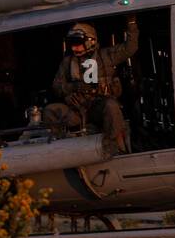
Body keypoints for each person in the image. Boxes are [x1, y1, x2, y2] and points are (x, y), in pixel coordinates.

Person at [44, 15, 138, 157]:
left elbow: (130, 48)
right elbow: (57, 86)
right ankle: (58, 151)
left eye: (78, 42)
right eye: (72, 43)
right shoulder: (67, 63)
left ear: (90, 41)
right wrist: (75, 88)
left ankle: (112, 147)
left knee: (111, 106)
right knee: (50, 110)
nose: (74, 47)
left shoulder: (106, 56)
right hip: (76, 112)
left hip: (99, 109)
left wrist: (131, 24)